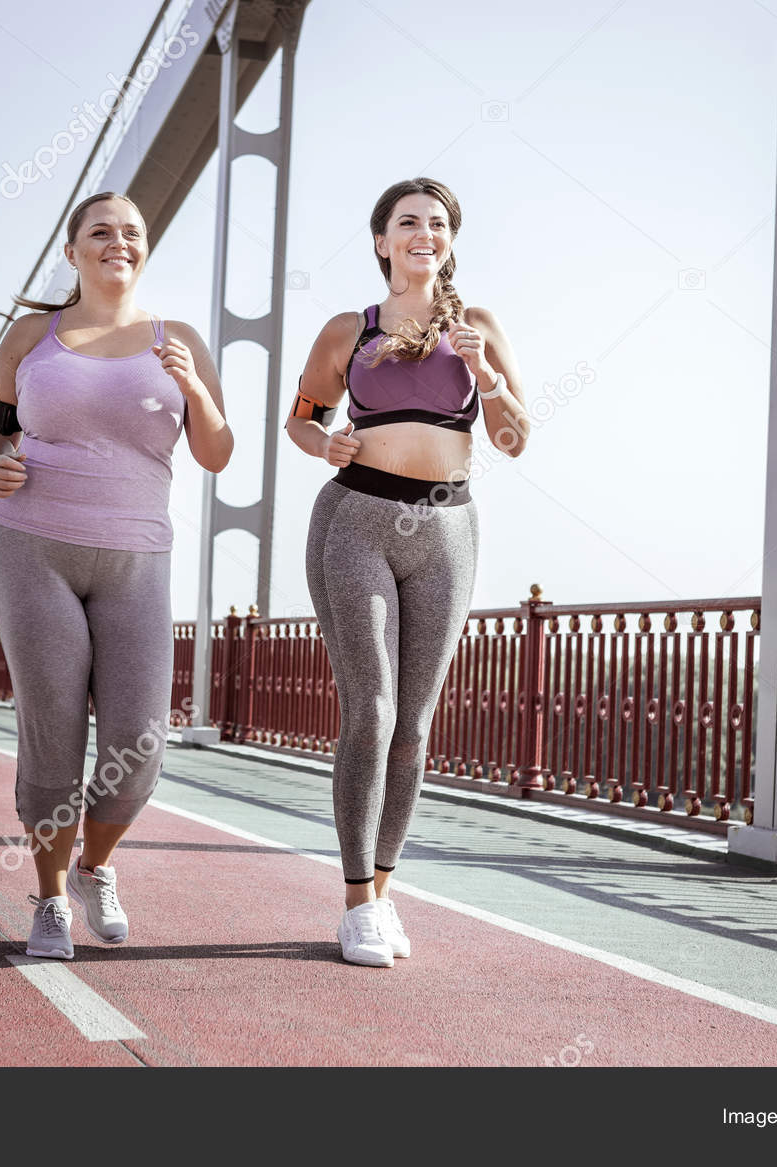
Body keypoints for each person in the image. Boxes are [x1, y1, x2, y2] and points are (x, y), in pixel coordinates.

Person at [0, 191, 232, 958]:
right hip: (31, 544)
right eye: (101, 231)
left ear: (144, 247)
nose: (117, 241)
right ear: (73, 251)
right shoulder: (32, 335)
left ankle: (96, 867)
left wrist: (191, 387)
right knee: (52, 729)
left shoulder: (177, 337)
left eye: (131, 231)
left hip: (137, 556)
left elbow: (217, 454)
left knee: (139, 738)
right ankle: (51, 899)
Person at [286, 177, 529, 966]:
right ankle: (355, 902)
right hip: (357, 518)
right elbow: (302, 417)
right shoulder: (346, 331)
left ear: (449, 241)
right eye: (407, 222)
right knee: (374, 707)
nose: (422, 232)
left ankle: (385, 892)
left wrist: (485, 373)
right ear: (383, 241)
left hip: (447, 527)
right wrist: (323, 442)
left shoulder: (479, 325)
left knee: (416, 722)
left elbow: (517, 438)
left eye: (437, 223)